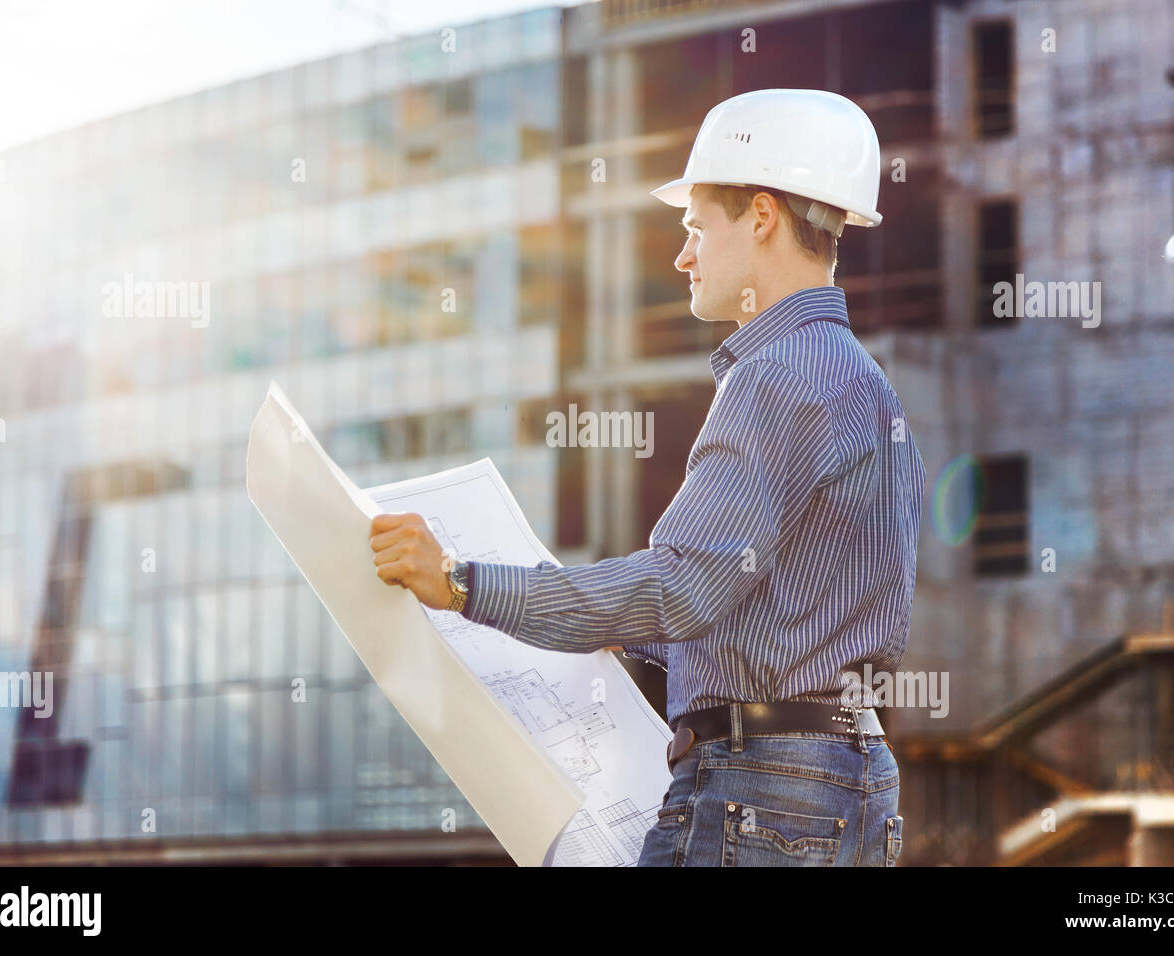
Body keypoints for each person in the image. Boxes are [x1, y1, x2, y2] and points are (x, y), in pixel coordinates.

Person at [368, 89, 926, 866]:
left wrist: (463, 584)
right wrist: (591, 622)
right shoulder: (868, 387)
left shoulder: (777, 377)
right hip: (850, 785)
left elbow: (680, 589)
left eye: (698, 227)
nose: (683, 255)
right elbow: (755, 615)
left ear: (762, 216)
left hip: (759, 791)